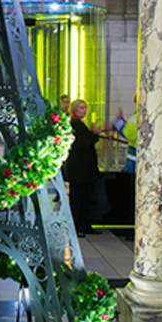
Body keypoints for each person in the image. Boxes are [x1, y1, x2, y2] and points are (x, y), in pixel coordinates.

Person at [61, 100, 106, 236]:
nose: (84, 110)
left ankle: (85, 225)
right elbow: (83, 143)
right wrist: (96, 134)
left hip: (84, 170)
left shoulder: (79, 124)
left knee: (86, 198)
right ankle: (77, 226)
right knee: (78, 199)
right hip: (79, 170)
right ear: (75, 110)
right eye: (81, 108)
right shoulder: (74, 124)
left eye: (85, 107)